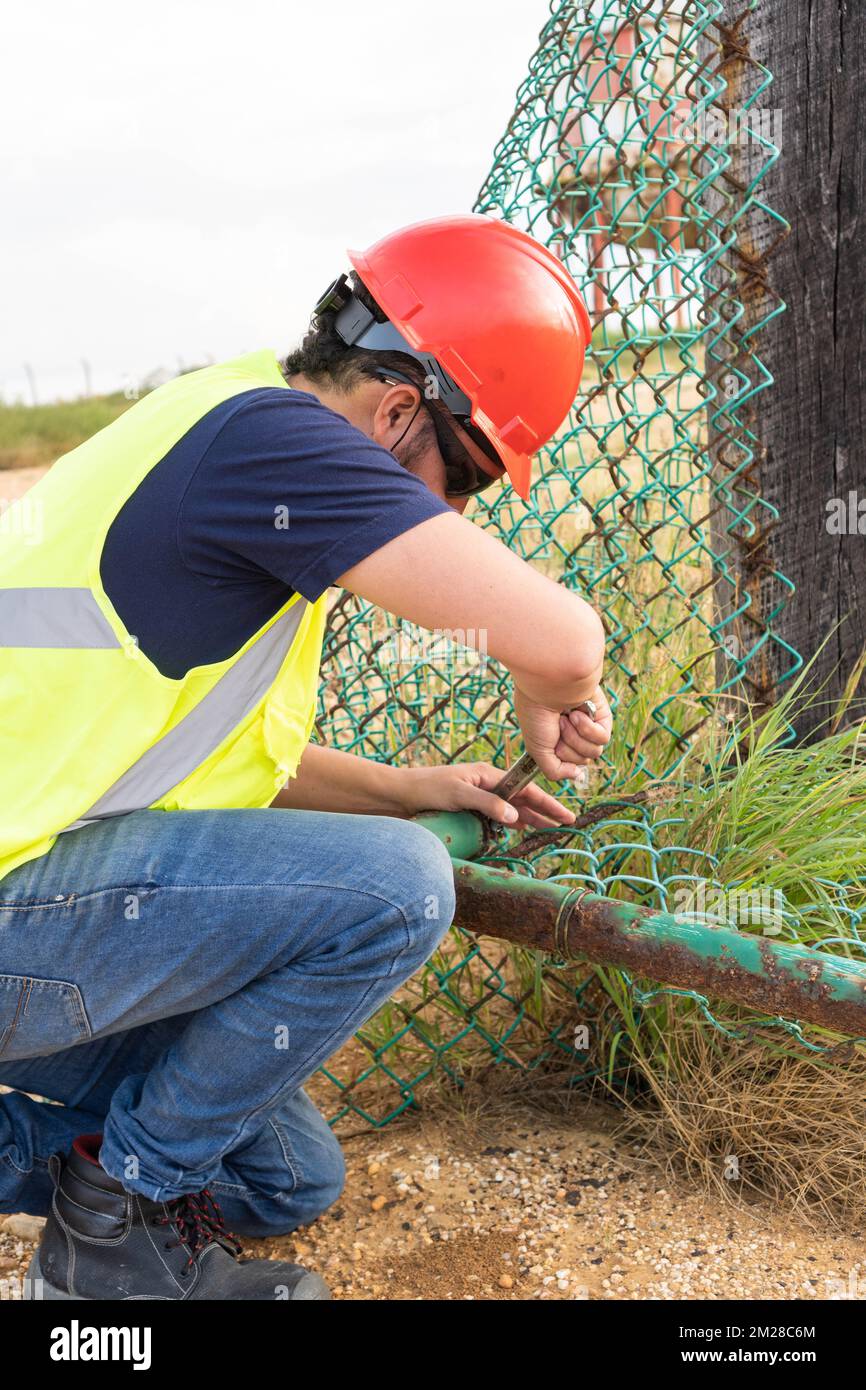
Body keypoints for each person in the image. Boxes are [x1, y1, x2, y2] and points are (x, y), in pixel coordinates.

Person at [0, 214, 610, 1300]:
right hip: (18, 920)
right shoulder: (273, 445)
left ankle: (114, 1177)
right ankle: (112, 1237)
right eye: (465, 476)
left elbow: (221, 764)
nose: (452, 512)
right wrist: (545, 683)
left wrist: (406, 789)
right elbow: (563, 641)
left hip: (44, 905)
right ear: (395, 410)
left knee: (282, 1178)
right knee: (399, 888)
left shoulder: (222, 427)